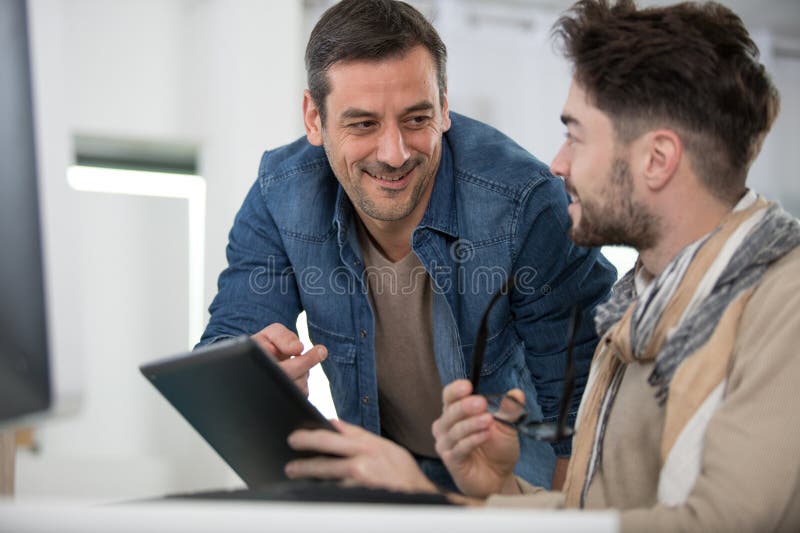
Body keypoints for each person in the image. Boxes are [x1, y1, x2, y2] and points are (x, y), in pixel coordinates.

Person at [285, 0, 800, 531]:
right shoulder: (634, 312)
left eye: (575, 135)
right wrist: (497, 488)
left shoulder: (785, 302)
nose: (558, 164)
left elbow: (722, 523)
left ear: (657, 158)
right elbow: (598, 512)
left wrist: (428, 500)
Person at [198, 0, 615, 490]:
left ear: (443, 106)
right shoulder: (279, 194)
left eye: (416, 119)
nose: (394, 154)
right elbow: (225, 349)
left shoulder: (525, 203)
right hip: (387, 476)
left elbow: (582, 407)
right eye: (363, 124)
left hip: (514, 480)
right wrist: (255, 377)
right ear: (314, 117)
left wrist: (563, 521)